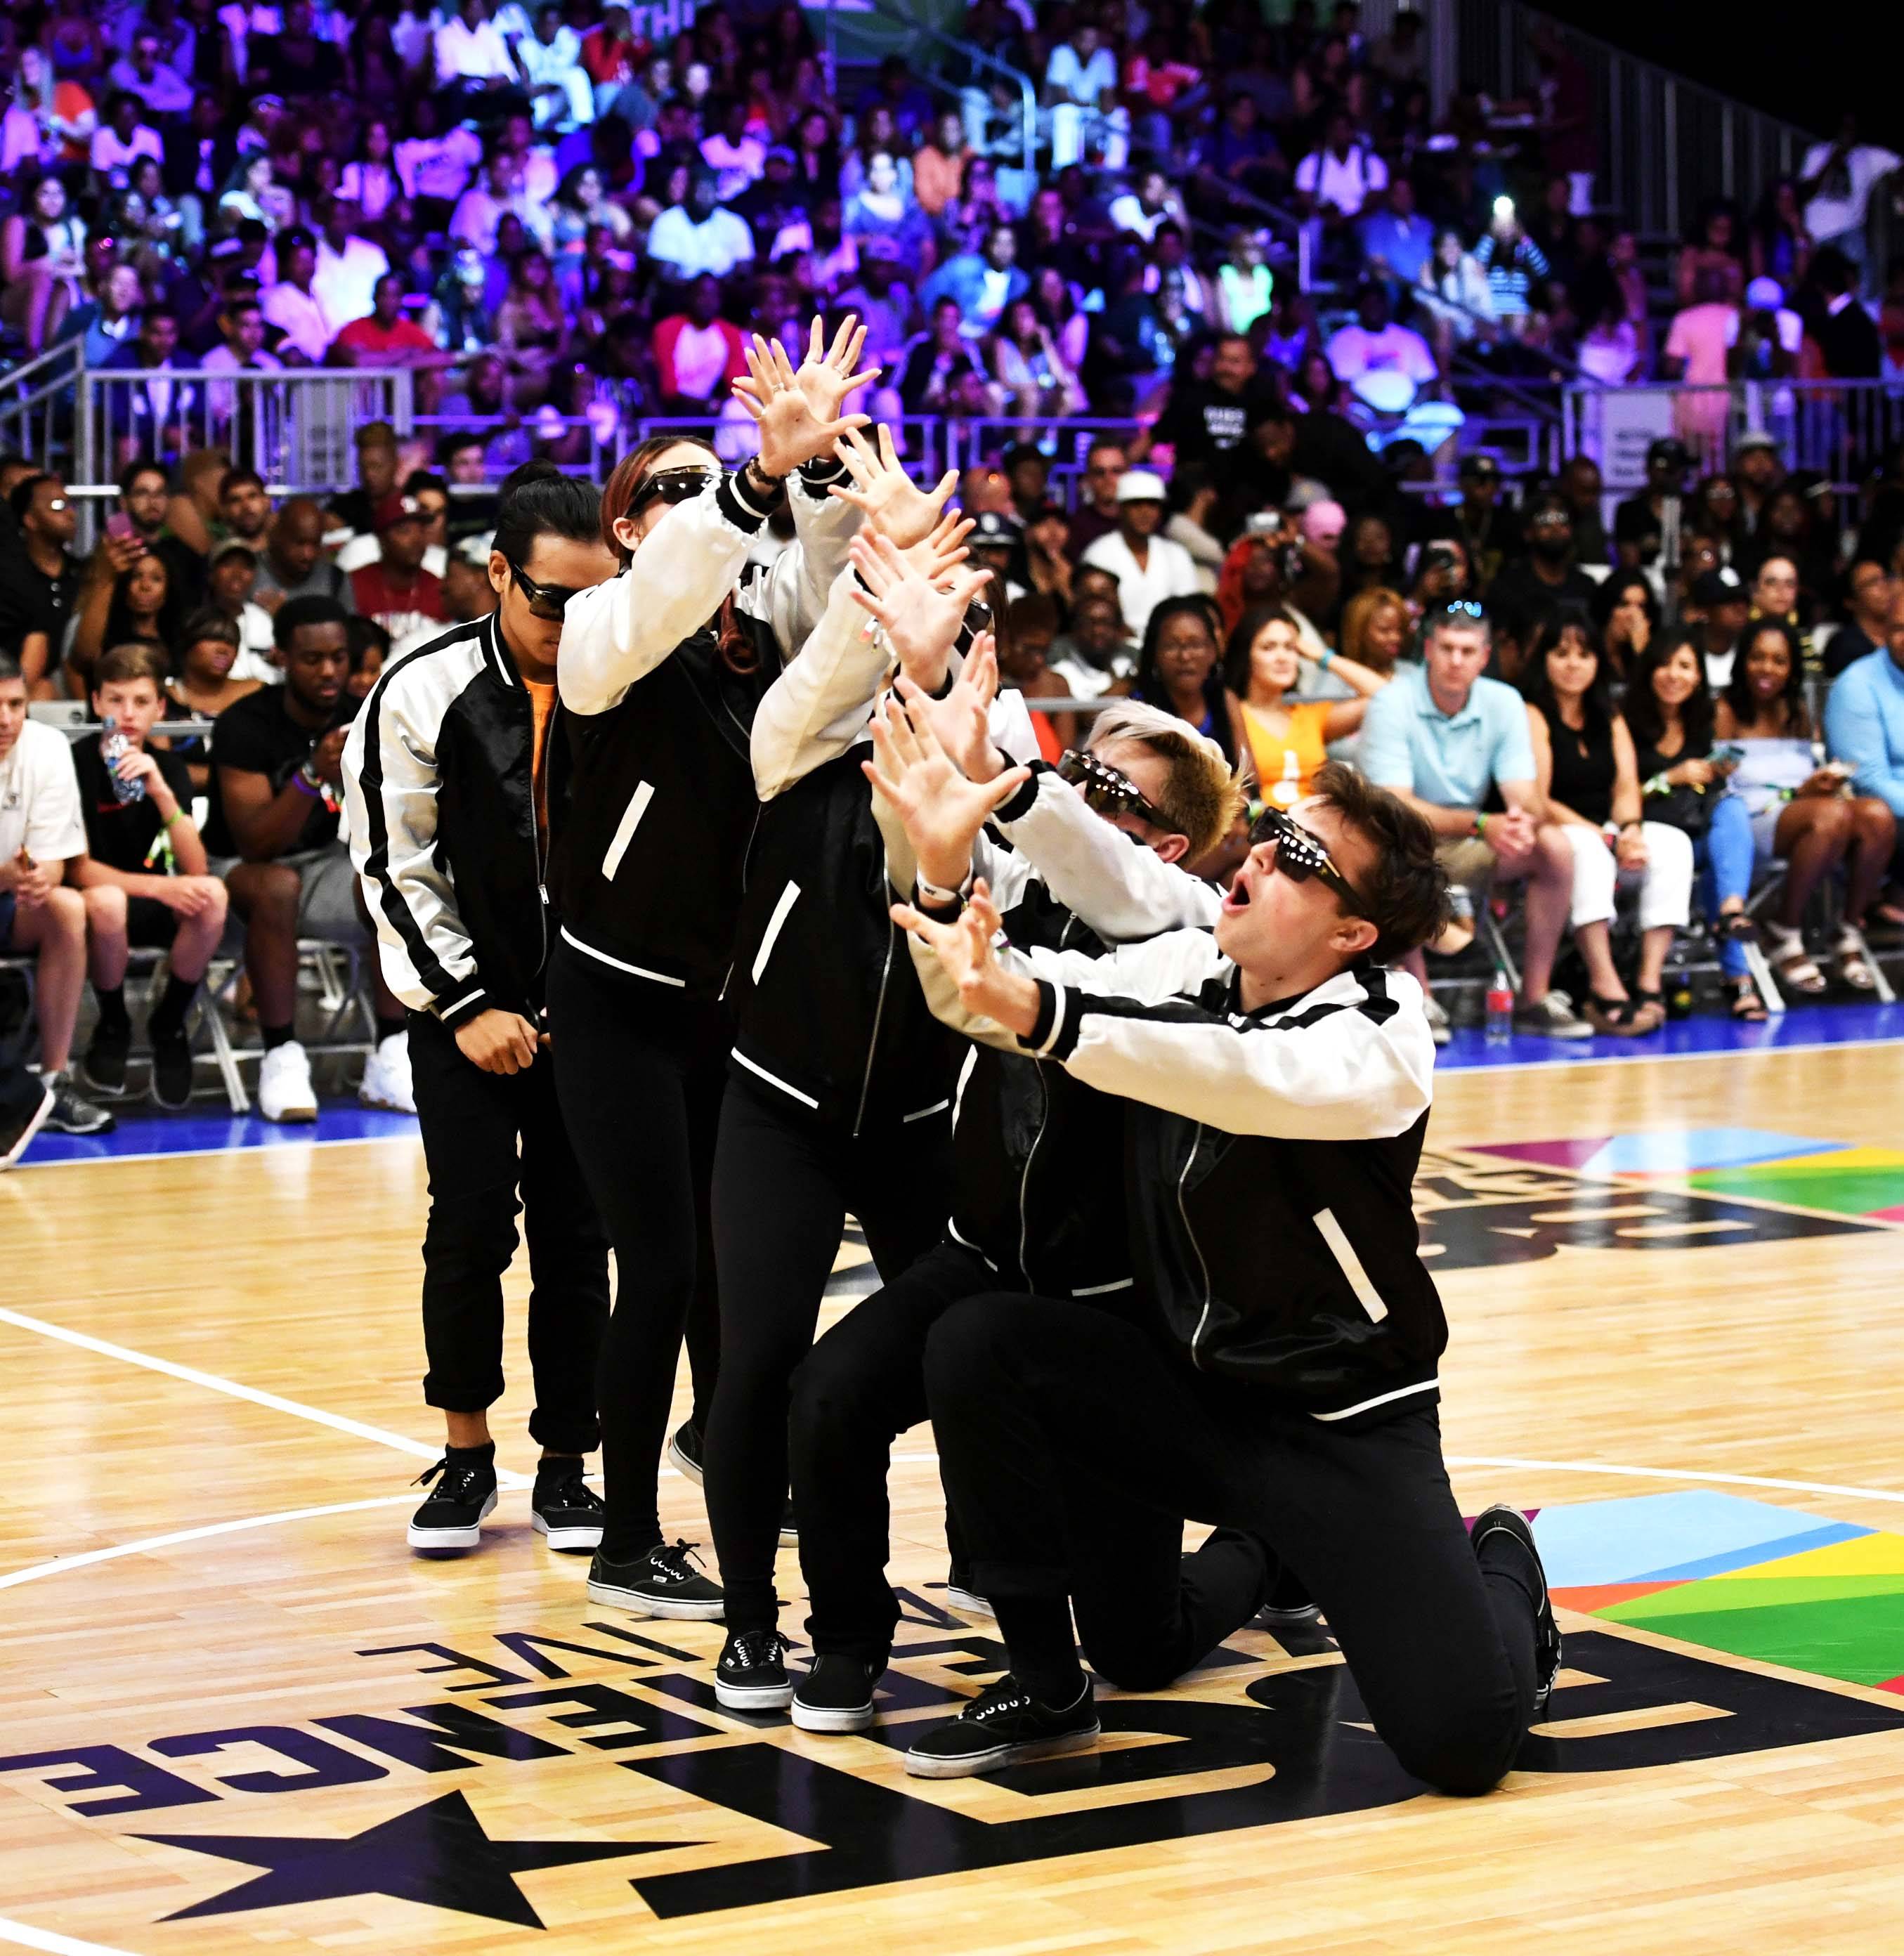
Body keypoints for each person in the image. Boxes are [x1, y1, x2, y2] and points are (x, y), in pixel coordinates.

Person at [894, 766, 1558, 1787]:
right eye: (1267, 833)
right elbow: (994, 992)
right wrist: (948, 875)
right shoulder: (1183, 969)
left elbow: (1239, 1073)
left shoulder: (1385, 1031)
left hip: (1343, 1428)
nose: (1256, 855)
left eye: (1298, 859)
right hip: (1191, 1399)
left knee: (1461, 1747)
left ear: (1352, 934)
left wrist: (1042, 1010)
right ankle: (1053, 1676)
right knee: (983, 1346)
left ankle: (1504, 1561)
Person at [787, 679, 1259, 1734]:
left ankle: (1265, 1546)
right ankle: (853, 1643)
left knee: (1143, 1647)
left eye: (1103, 789)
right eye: (1075, 773)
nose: (1070, 797)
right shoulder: (1030, 888)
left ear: (1165, 849)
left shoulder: (1181, 934)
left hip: (1110, 1306)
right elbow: (948, 824)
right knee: (830, 1393)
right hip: (988, 1256)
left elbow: (1015, 968)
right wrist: (922, 668)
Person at [549, 320, 873, 1622]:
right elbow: (679, 582)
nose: (701, 503)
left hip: (727, 998)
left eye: (712, 481)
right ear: (629, 527)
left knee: (738, 1274)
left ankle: (728, 1459)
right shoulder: (601, 628)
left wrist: (828, 475)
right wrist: (739, 487)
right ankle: (627, 1536)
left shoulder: (765, 626)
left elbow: (839, 595)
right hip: (614, 989)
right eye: (670, 491)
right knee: (665, 1266)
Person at [700, 472, 1026, 1711]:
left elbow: (973, 865)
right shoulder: (792, 729)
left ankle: (1017, 1599)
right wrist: (876, 585)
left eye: (934, 590)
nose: (905, 612)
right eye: (882, 592)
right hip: (777, 1099)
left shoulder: (993, 735)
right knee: (762, 1359)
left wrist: (949, 692)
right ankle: (751, 1619)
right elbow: (812, 701)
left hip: (923, 1117)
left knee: (969, 1352)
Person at [344, 464, 617, 1558]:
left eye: (598, 601)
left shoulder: (628, 682)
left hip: (596, 1019)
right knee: (467, 1230)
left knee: (578, 1240)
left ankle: (568, 1467)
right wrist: (465, 1005)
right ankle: (465, 1458)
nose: (572, 624)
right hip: (466, 1014)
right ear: (500, 575)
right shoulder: (420, 685)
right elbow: (390, 860)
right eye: (553, 601)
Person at [203, 594, 415, 1122]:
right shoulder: (244, 724)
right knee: (275, 885)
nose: (328, 672)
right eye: (312, 659)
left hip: (320, 864)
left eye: (338, 658)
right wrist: (312, 774)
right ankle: (281, 1054)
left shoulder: (364, 714)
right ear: (281, 659)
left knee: (386, 875)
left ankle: (390, 1054)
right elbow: (254, 844)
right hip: (231, 874)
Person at [1359, 604, 1592, 1043]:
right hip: (1409, 840)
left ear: (1485, 657)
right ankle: (1418, 999)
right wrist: (1482, 823)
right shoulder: (1392, 702)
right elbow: (1396, 805)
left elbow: (1522, 790)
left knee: (1555, 847)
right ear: (1427, 650)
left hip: (1472, 840)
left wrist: (1521, 820)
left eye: (1467, 651)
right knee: (1395, 841)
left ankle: (1533, 999)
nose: (1456, 660)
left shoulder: (1503, 702)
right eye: (1446, 648)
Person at [68, 641, 228, 1107]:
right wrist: (163, 886)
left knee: (213, 895)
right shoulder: (75, 763)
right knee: (107, 901)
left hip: (158, 902)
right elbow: (77, 870)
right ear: (97, 703)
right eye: (116, 700)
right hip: (98, 903)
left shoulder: (171, 767)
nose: (128, 713)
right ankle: (113, 1022)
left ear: (160, 707)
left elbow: (195, 869)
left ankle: (170, 1021)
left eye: (141, 702)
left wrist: (161, 791)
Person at [1520, 615, 1695, 1035]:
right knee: (1588, 848)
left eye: (1584, 655)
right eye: (1561, 654)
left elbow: (1625, 788)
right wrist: (1605, 836)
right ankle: (1603, 984)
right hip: (1555, 832)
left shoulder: (1609, 715)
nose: (1573, 665)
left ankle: (1650, 980)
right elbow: (1537, 799)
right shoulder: (1532, 713)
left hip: (1608, 829)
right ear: (1544, 660)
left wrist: (1631, 828)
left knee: (1672, 844)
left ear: (1598, 662)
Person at [1717, 620, 1893, 995]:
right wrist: (1804, 795)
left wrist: (1823, 783)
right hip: (1749, 820)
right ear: (1743, 661)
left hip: (1810, 813)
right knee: (1829, 816)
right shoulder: (1726, 710)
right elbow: (1719, 785)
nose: (1767, 669)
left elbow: (1807, 778)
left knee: (1877, 815)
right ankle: (1784, 928)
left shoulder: (1796, 710)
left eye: (1779, 661)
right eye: (1758, 658)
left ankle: (1847, 927)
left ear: (1792, 668)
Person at [1624, 634, 1765, 1021]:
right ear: (1649, 671)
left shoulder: (1702, 720)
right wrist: (1670, 777)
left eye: (1685, 666)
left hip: (1695, 830)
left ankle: (1732, 911)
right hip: (1644, 836)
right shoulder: (1625, 721)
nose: (1674, 675)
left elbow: (1708, 794)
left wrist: (1715, 772)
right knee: (1709, 868)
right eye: (1665, 665)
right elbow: (1615, 793)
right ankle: (1740, 979)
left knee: (1732, 807)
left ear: (1699, 676)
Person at [0, 654, 113, 1135]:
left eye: (16, 704)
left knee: (67, 906)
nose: (6, 719)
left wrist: (37, 876)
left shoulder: (47, 747)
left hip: (12, 898)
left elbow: (54, 856)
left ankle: (53, 1080)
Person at [1227, 604, 1388, 805]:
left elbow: (1386, 696)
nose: (1282, 657)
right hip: (1259, 830)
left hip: (1313, 830)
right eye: (1269, 647)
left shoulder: (1311, 717)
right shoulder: (1231, 713)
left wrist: (1320, 656)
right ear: (1246, 656)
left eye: (1290, 647)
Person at [1125, 594, 1246, 774]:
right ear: (1154, 653)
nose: (1185, 656)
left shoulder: (1225, 699)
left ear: (1213, 651)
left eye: (1195, 644)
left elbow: (1248, 777)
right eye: (1172, 646)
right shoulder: (1138, 709)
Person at [1081, 471, 1201, 642]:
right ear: (1121, 508)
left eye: (1152, 505)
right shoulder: (1098, 554)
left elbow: (1189, 609)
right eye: (1136, 504)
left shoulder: (1177, 555)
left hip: (1168, 647)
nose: (1145, 512)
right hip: (1112, 648)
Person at [350, 493, 446, 644]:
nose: (417, 539)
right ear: (382, 540)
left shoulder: (441, 589)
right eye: (405, 531)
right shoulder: (355, 585)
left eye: (421, 530)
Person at [1824, 559, 1896, 678]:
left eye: (1885, 578)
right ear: (1850, 602)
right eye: (1873, 582)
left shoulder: (1899, 637)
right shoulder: (1843, 647)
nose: (1884, 586)